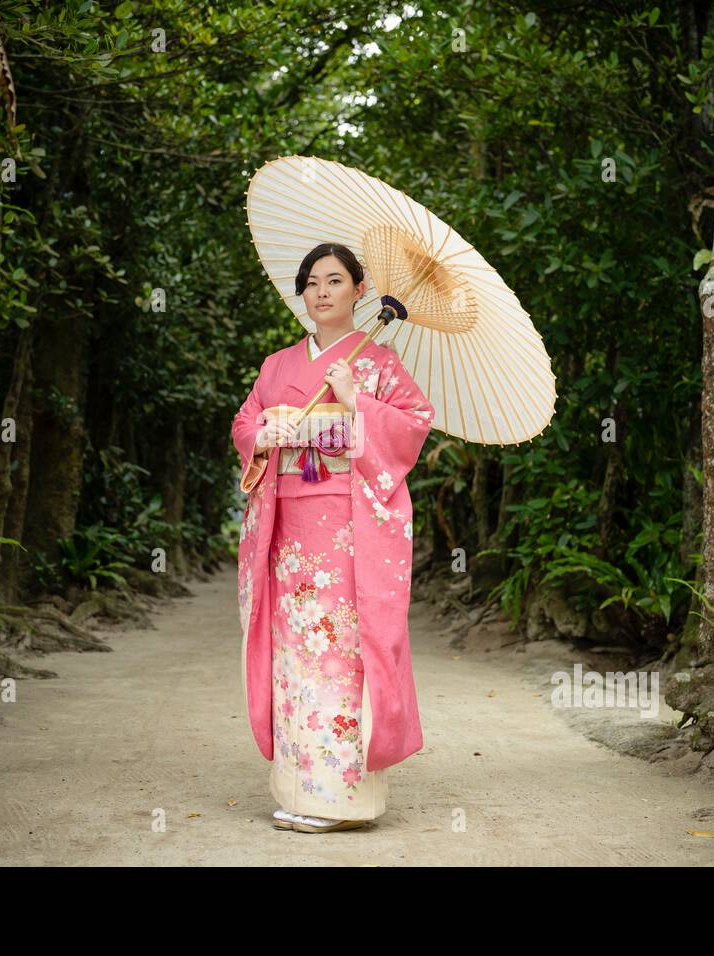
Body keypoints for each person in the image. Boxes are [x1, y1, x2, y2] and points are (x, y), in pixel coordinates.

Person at [231, 242, 435, 833]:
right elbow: (245, 423)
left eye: (335, 280)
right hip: (289, 533)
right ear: (303, 293)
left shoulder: (378, 364)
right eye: (312, 282)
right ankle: (299, 791)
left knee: (341, 655)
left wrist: (356, 402)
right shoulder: (276, 366)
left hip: (350, 535)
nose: (322, 292)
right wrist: (270, 431)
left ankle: (342, 801)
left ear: (357, 291)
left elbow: (413, 426)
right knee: (296, 658)